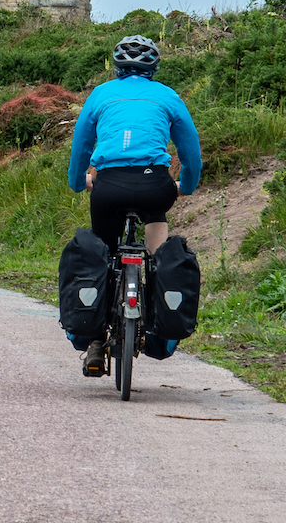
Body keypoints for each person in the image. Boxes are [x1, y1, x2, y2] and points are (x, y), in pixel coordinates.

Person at [67, 34, 202, 376]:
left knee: (103, 252)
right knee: (156, 227)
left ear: (117, 68)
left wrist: (78, 181)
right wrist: (185, 186)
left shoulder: (101, 94)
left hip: (108, 186)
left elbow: (81, 146)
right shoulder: (167, 96)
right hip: (155, 185)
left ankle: (95, 342)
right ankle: (157, 289)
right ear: (154, 69)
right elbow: (191, 151)